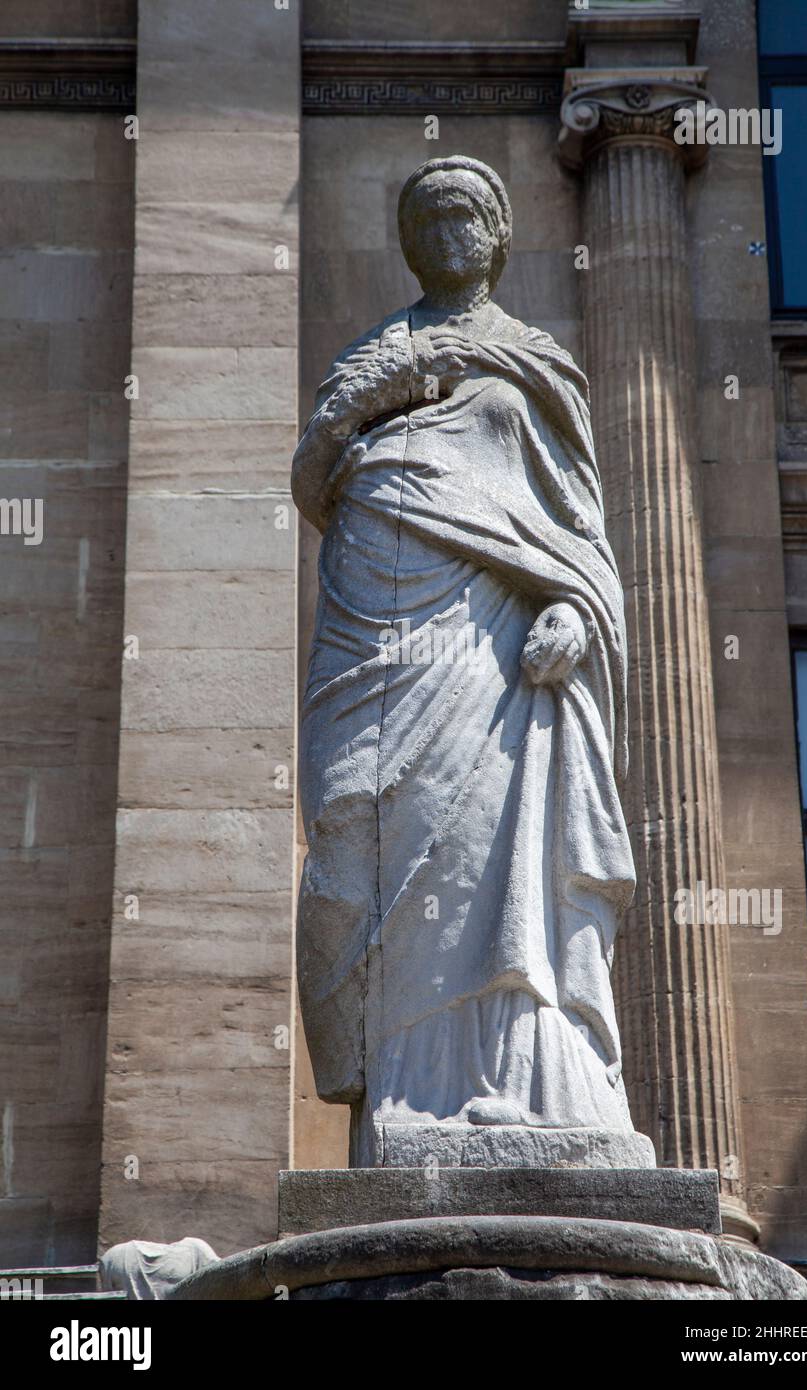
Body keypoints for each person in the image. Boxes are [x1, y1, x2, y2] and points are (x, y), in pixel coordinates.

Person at [292, 156, 636, 1164]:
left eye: (464, 218)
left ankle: (527, 1080)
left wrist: (574, 608)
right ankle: (401, 1094)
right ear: (408, 243)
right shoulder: (372, 352)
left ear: (495, 237)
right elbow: (313, 480)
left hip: (494, 653)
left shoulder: (534, 361)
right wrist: (366, 401)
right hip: (378, 640)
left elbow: (577, 532)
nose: (446, 235)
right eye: (427, 221)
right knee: (360, 840)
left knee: (493, 850)